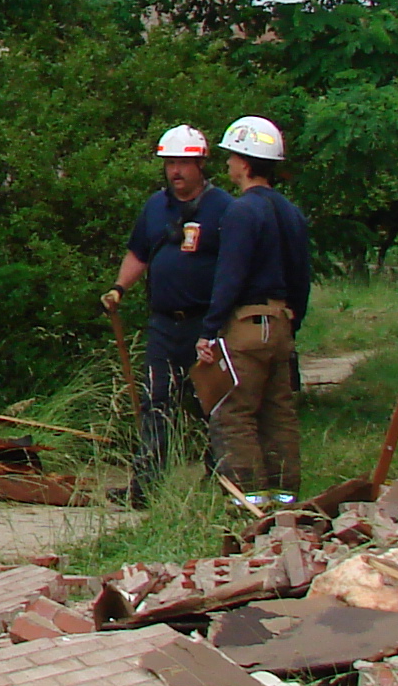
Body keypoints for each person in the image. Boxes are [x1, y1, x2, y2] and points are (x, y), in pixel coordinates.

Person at [107, 125, 231, 505]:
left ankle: (222, 484)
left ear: (200, 164)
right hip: (163, 322)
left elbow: (235, 265)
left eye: (183, 163)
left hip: (205, 322)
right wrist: (119, 288)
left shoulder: (223, 208)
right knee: (156, 400)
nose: (176, 171)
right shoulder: (155, 207)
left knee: (211, 403)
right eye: (170, 163)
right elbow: (139, 253)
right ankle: (145, 487)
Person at [193, 116, 311, 500]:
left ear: (244, 163)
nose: (227, 163)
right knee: (278, 414)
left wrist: (209, 331)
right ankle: (285, 497)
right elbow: (302, 276)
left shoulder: (241, 211)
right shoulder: (291, 213)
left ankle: (247, 500)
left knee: (233, 412)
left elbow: (230, 276)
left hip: (246, 325)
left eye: (231, 157)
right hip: (281, 324)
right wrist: (293, 322)